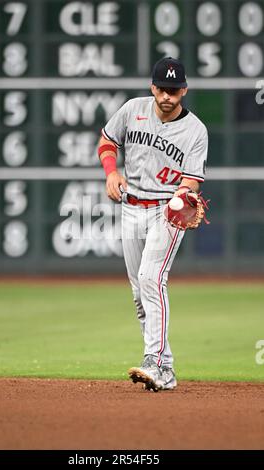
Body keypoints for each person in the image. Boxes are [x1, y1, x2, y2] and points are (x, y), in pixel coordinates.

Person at [98, 57, 208, 392]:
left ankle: (155, 361)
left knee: (151, 278)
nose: (167, 96)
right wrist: (111, 172)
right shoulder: (133, 110)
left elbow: (191, 181)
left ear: (184, 90)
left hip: (166, 211)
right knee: (138, 293)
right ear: (152, 87)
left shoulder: (195, 130)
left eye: (174, 90)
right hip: (131, 208)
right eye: (162, 88)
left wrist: (185, 197)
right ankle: (166, 367)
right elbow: (106, 141)